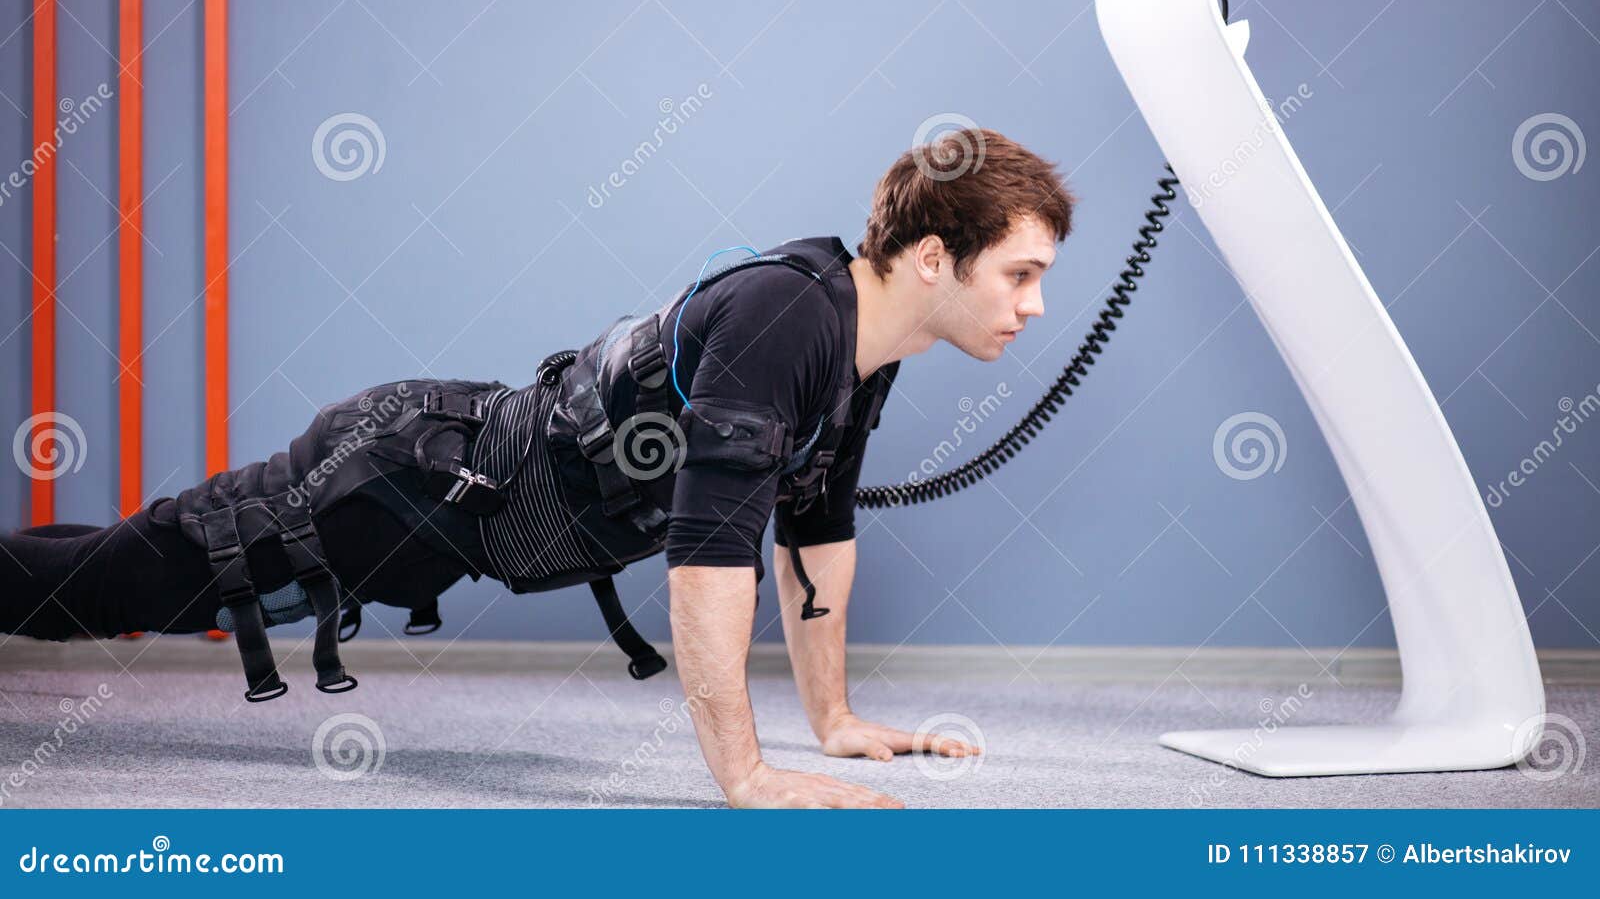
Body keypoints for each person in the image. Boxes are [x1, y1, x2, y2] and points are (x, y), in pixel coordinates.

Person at [0, 126, 1075, 809]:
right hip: (393, 483)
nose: (1033, 305)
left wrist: (833, 721)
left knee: (99, 565)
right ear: (933, 257)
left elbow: (816, 527)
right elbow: (710, 554)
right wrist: (744, 776)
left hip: (442, 512)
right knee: (94, 587)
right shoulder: (787, 315)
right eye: (1020, 274)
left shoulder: (864, 348)